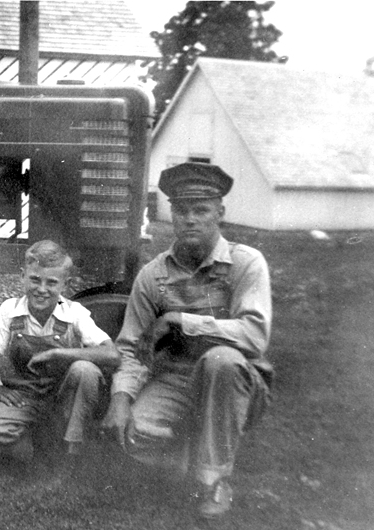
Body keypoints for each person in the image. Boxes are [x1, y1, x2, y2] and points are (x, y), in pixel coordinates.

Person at [100, 162, 273, 519]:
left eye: (201, 210)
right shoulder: (154, 275)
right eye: (182, 210)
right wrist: (120, 400)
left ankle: (214, 481)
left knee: (219, 361)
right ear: (172, 214)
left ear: (220, 213)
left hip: (236, 379)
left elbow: (254, 335)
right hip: (175, 378)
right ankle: (192, 453)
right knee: (135, 437)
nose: (190, 219)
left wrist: (183, 320)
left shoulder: (246, 263)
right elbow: (130, 348)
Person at [0, 240, 118, 461]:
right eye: (35, 279)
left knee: (84, 370)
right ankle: (37, 443)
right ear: (22, 276)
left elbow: (112, 355)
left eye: (51, 282)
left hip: (62, 396)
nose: (41, 289)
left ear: (64, 286)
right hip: (25, 396)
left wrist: (59, 354)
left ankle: (71, 452)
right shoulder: (10, 310)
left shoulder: (74, 313)